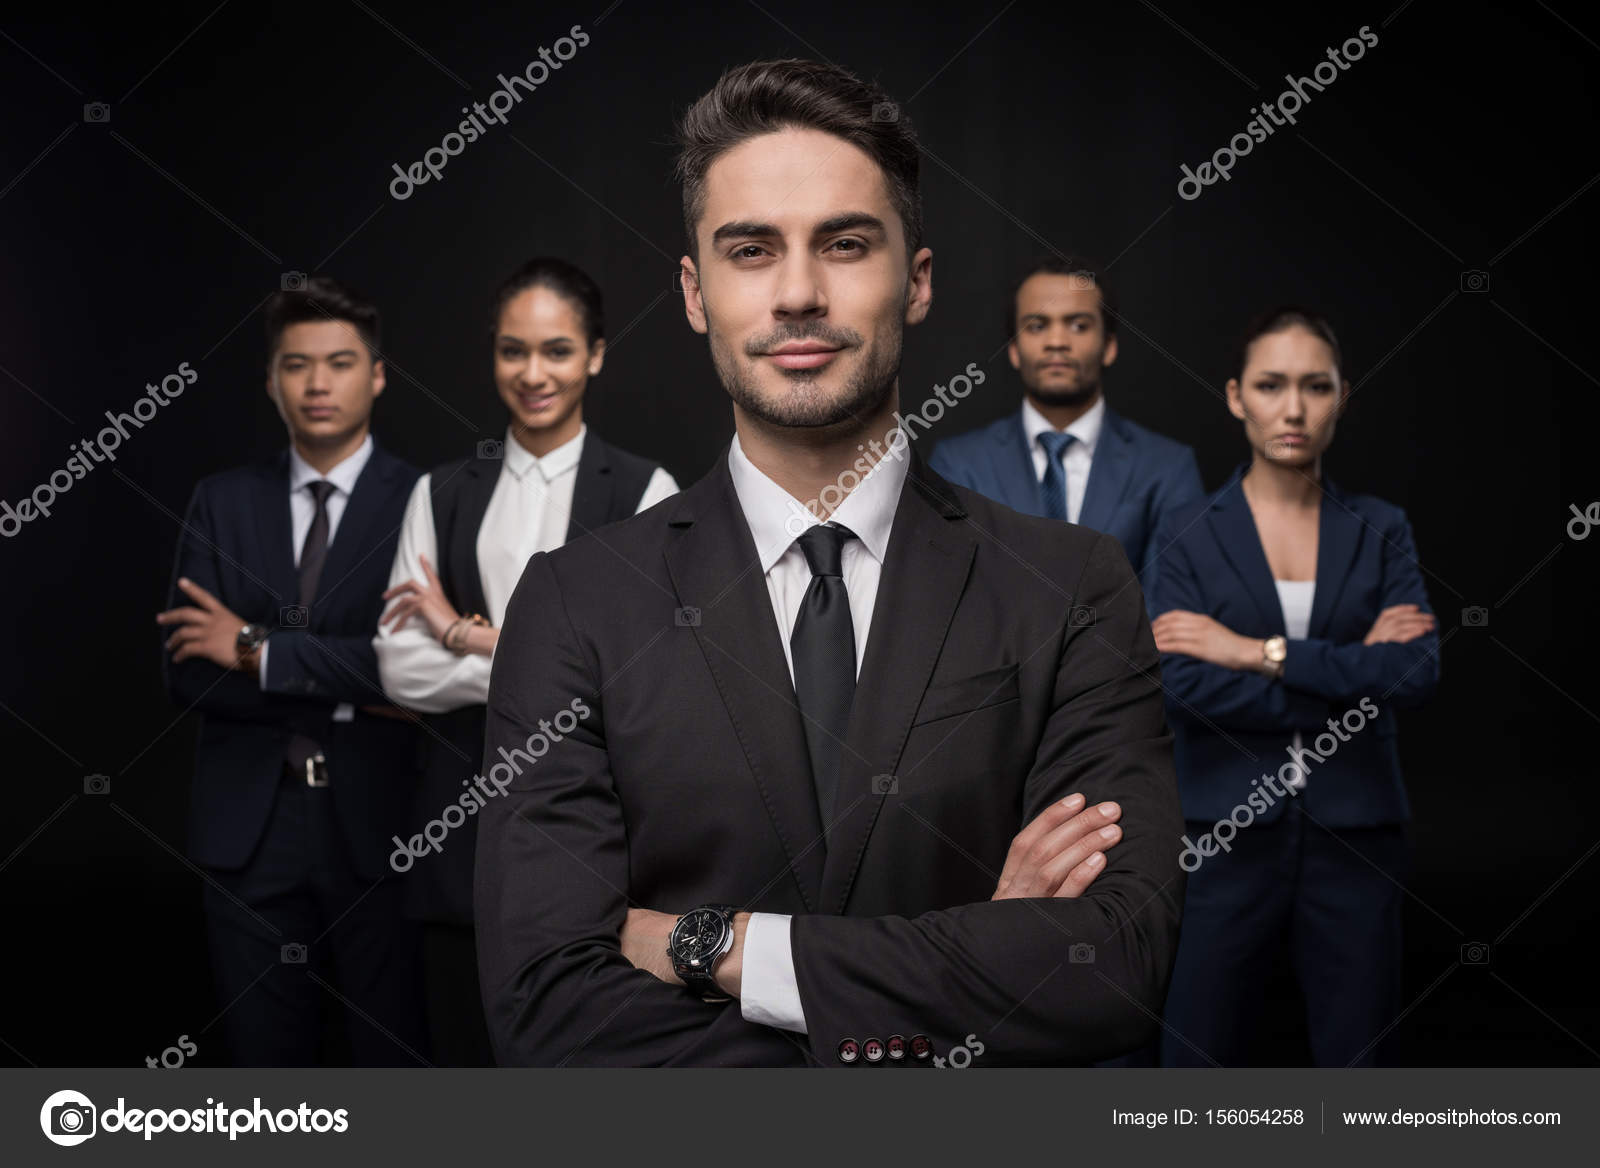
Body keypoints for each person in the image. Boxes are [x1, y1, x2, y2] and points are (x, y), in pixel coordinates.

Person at [473, 58, 1184, 1067]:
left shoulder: (1071, 587)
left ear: (919, 277)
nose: (799, 293)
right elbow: (546, 1012)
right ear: (693, 291)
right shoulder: (576, 604)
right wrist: (972, 980)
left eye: (845, 244)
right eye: (750, 250)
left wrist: (711, 947)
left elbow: (1108, 966)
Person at [374, 257, 678, 1065]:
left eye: (556, 350)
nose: (534, 373)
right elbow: (398, 669)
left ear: (597, 354)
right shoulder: (438, 493)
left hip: (605, 839)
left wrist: (466, 635)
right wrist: (560, 673)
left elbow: (644, 679)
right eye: (514, 351)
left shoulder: (649, 494)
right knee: (454, 1062)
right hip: (455, 829)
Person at [1149, 307, 1440, 1066]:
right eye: (1271, 385)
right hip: (1221, 835)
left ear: (1342, 397)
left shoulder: (1382, 526)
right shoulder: (1185, 530)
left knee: (1359, 1062)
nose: (1293, 408)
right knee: (1195, 1055)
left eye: (1316, 386)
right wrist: (1346, 673)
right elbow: (1178, 683)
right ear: (1236, 396)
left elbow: (1412, 671)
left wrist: (1253, 651)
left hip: (1358, 838)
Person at [158, 276, 426, 1065]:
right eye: (297, 364)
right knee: (266, 1065)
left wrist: (255, 647)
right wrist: (350, 685)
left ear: (376, 375)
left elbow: (413, 674)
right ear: (271, 381)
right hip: (249, 830)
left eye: (340, 362)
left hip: (386, 825)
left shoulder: (425, 501)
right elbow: (185, 674)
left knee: (393, 1055)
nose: (317, 384)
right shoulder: (221, 502)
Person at [929, 258, 1203, 594]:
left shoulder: (1167, 467)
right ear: (1013, 350)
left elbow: (1170, 608)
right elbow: (948, 596)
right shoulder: (958, 464)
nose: (1057, 341)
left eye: (1078, 325)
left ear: (1110, 346)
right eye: (1037, 325)